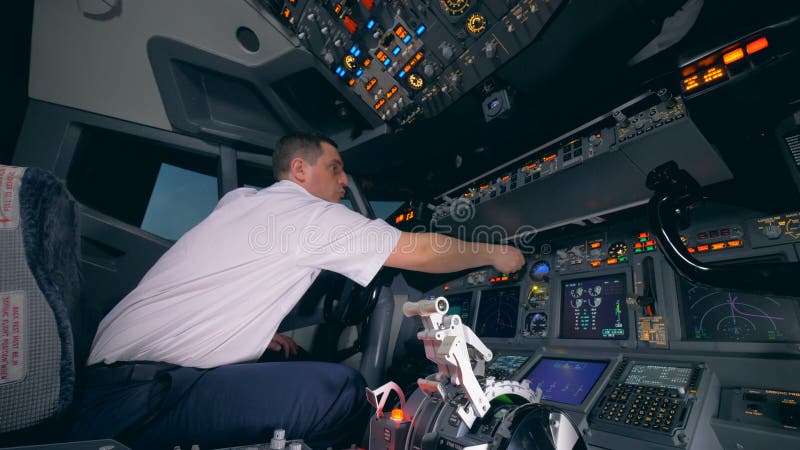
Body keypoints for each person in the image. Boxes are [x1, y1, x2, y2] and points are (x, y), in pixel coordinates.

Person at [70, 132, 525, 449]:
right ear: (300, 169)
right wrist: (495, 255)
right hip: (139, 401)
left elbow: (215, 281)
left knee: (292, 362)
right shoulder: (306, 215)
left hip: (110, 381)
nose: (344, 182)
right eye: (335, 168)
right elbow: (416, 251)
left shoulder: (242, 203)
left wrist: (256, 338)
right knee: (344, 392)